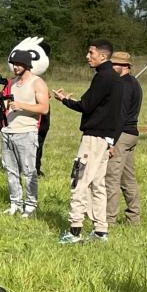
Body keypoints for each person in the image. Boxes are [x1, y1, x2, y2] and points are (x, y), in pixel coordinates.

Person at [52, 39, 122, 244]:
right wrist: (112, 140)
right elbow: (117, 114)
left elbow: (86, 105)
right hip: (105, 138)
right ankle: (100, 231)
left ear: (103, 56)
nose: (87, 56)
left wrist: (64, 100)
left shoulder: (103, 77)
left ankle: (74, 231)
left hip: (93, 139)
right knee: (98, 184)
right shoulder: (116, 79)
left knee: (79, 180)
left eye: (91, 53)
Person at [0, 50, 49, 217]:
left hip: (26, 132)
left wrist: (22, 105)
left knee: (29, 171)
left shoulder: (37, 83)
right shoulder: (12, 82)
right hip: (8, 131)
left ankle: (30, 207)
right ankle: (15, 203)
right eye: (13, 64)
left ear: (27, 65)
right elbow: (7, 104)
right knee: (10, 170)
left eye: (19, 64)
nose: (15, 67)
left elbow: (44, 108)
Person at [104, 51, 142, 226]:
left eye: (114, 65)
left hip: (122, 135)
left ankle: (108, 220)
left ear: (124, 66)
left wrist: (111, 141)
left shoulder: (124, 85)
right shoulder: (134, 83)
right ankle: (134, 219)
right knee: (128, 179)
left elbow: (120, 115)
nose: (111, 68)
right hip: (131, 134)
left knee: (111, 178)